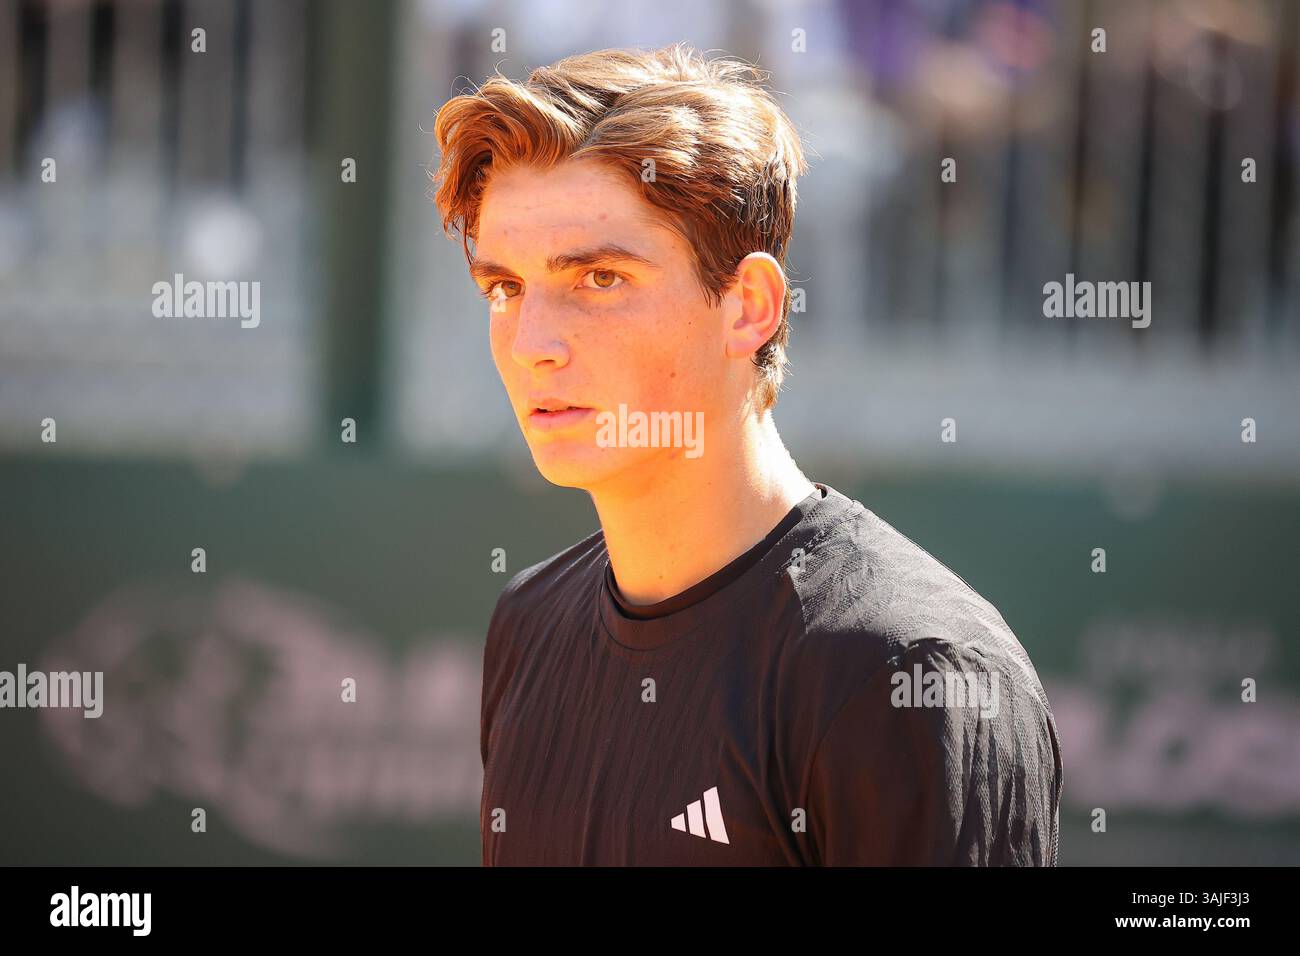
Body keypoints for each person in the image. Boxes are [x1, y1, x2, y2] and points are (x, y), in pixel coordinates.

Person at [430, 42, 1062, 865]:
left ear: (748, 307)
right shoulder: (528, 624)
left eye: (599, 279)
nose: (533, 344)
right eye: (506, 288)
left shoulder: (910, 670)